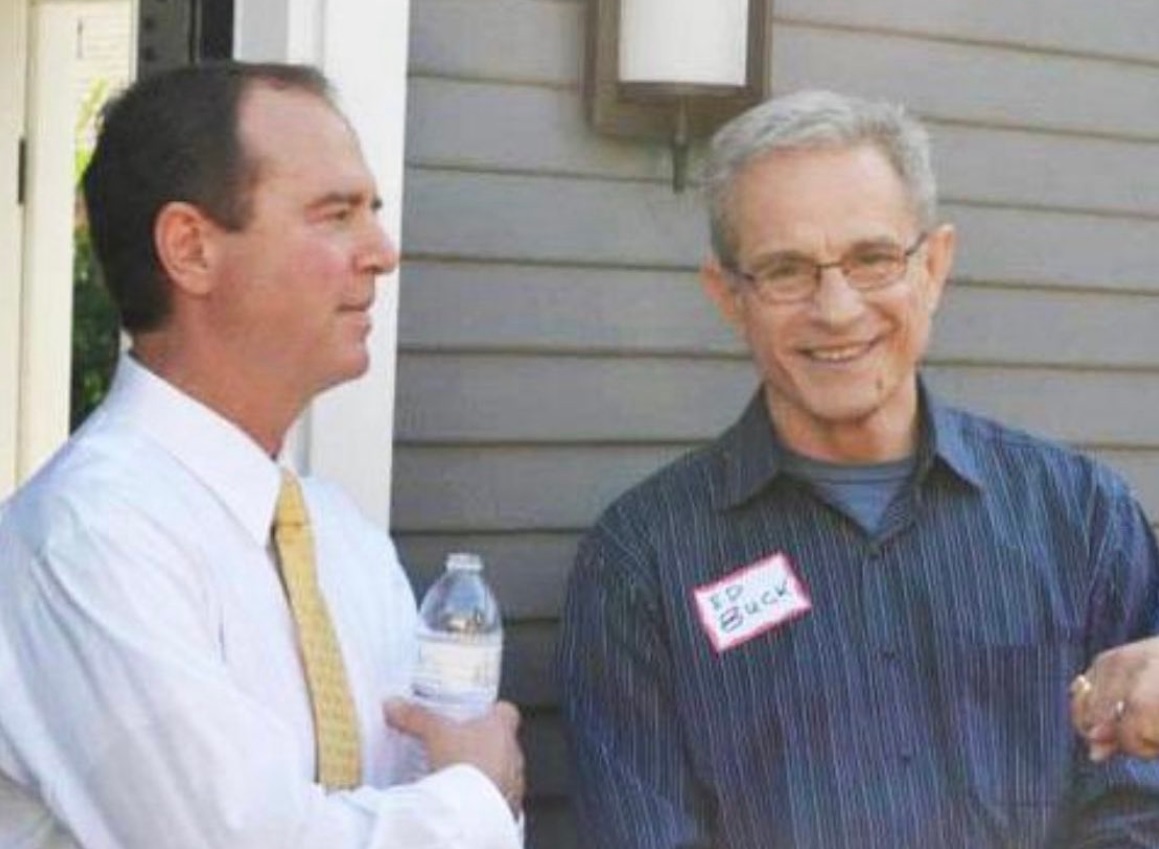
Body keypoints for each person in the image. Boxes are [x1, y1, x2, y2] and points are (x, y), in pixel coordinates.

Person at [557, 89, 1159, 848]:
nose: (836, 308)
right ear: (728, 297)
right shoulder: (640, 565)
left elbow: (1139, 809)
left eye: (872, 258)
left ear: (933, 266)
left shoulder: (1080, 520)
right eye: (785, 270)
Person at [0, 62, 523, 848]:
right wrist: (477, 798)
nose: (382, 251)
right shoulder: (84, 541)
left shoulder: (339, 535)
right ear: (190, 248)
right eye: (335, 214)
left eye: (370, 212)